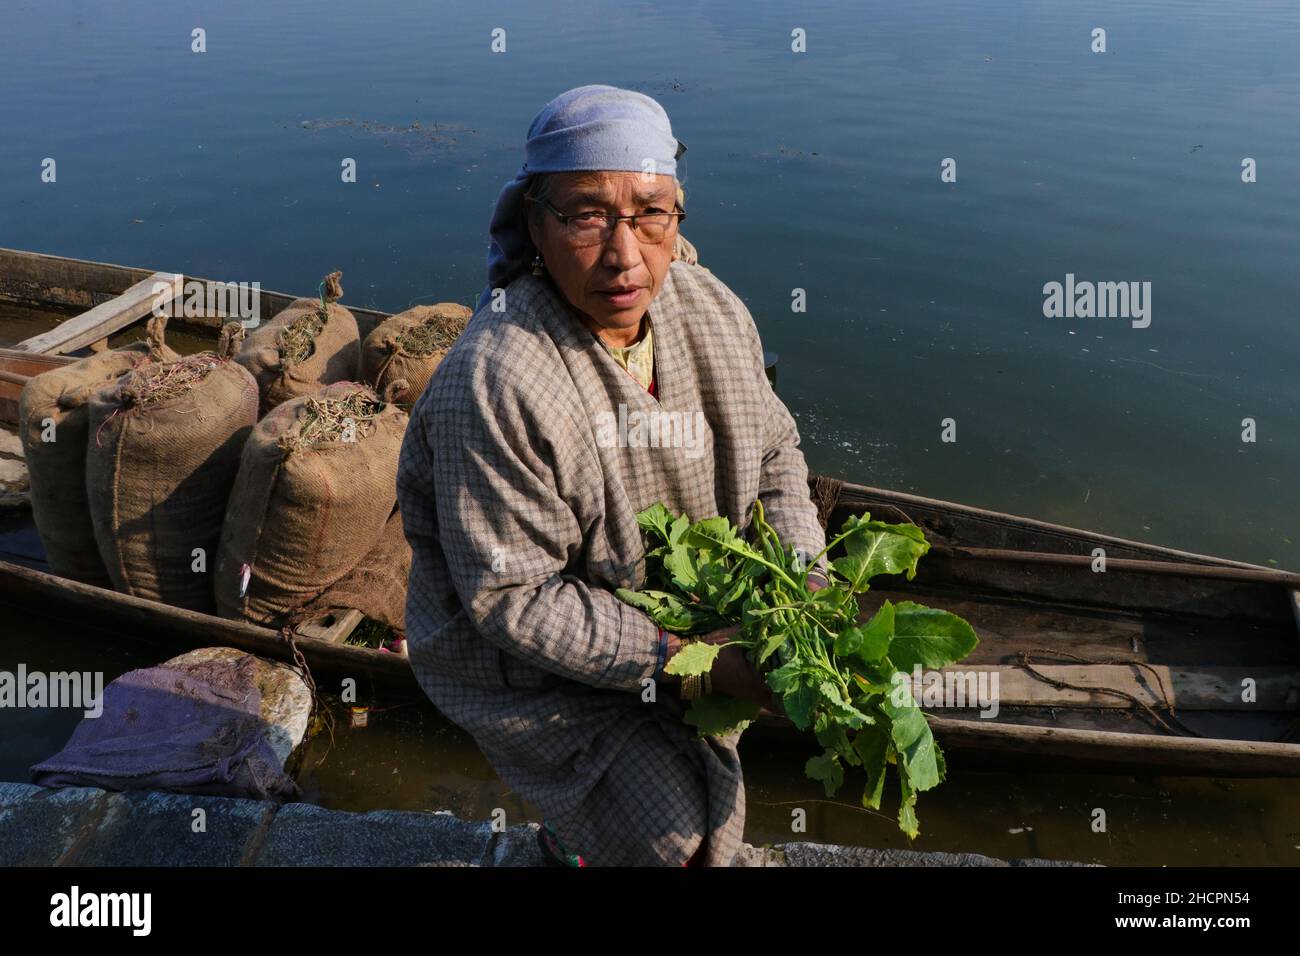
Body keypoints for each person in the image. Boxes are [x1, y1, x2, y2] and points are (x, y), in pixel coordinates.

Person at [397, 84, 827, 867]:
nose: (625, 255)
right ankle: (567, 842)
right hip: (532, 667)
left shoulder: (711, 308)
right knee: (671, 838)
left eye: (650, 213)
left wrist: (803, 579)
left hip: (692, 616)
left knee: (696, 806)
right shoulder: (496, 379)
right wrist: (694, 661)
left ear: (677, 215)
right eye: (587, 214)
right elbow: (515, 598)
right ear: (535, 223)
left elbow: (775, 456)